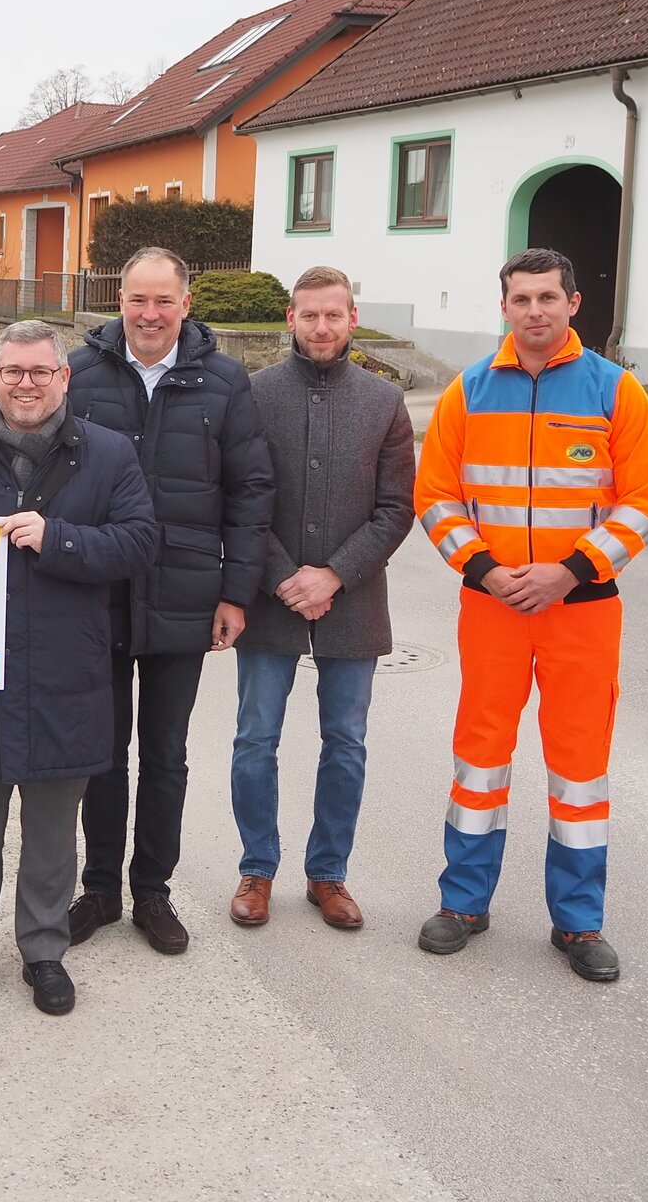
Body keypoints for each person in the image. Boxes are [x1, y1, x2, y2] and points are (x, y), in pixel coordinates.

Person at [414, 248, 648, 982]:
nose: (534, 311)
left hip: (582, 611)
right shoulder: (468, 391)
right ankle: (464, 903)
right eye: (520, 299)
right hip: (491, 607)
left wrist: (569, 571)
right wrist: (489, 572)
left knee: (580, 768)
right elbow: (435, 497)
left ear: (573, 304)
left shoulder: (615, 391)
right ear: (503, 307)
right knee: (480, 756)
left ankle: (579, 922)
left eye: (547, 298)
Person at [0, 319, 159, 1015]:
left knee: (53, 834)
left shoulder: (107, 455)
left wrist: (60, 539)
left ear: (63, 378)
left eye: (39, 372)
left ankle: (44, 951)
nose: (25, 384)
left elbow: (141, 543)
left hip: (65, 677)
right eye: (12, 371)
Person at [64, 247, 273, 955]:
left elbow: (249, 493)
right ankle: (98, 889)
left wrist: (236, 593)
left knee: (166, 754)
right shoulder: (81, 373)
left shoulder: (224, 381)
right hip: (95, 595)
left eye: (163, 301)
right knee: (100, 751)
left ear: (186, 305)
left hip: (186, 594)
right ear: (117, 300)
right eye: (136, 299)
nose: (149, 315)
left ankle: (152, 891)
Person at [231, 267, 415, 929]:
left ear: (352, 317)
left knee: (346, 742)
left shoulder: (383, 403)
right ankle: (257, 869)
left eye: (333, 315)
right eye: (309, 315)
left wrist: (333, 574)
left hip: (355, 600)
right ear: (290, 318)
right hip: (269, 596)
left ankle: (328, 874)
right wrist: (286, 578)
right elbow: (243, 499)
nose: (321, 327)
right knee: (255, 739)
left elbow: (396, 510)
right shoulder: (252, 395)